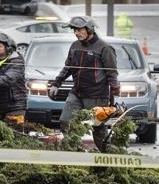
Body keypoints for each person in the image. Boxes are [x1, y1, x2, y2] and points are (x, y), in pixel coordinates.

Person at [51, 16, 118, 152]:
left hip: (97, 96)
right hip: (77, 93)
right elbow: (68, 67)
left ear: (90, 29)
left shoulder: (104, 48)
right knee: (65, 121)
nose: (76, 33)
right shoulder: (75, 46)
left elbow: (112, 74)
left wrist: (113, 96)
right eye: (74, 30)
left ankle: (108, 157)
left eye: (79, 29)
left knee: (98, 129)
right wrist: (56, 83)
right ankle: (75, 152)